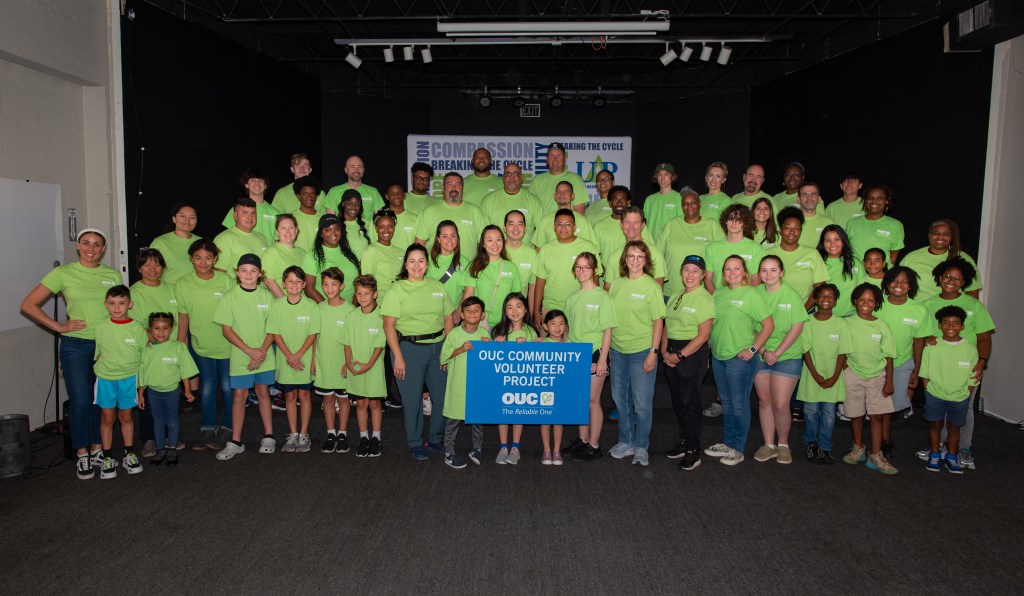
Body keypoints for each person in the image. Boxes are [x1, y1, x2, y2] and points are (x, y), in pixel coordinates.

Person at [21, 228, 123, 479]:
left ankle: (99, 448)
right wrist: (59, 326)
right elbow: (28, 304)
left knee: (101, 400)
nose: (91, 248)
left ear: (103, 248)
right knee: (79, 402)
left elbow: (119, 309)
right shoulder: (63, 273)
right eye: (86, 243)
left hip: (105, 346)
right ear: (78, 246)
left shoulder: (111, 275)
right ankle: (82, 453)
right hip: (75, 345)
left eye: (97, 244)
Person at [918, 257, 994, 469]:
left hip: (964, 368)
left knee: (964, 409)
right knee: (937, 408)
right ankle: (939, 446)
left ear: (964, 282)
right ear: (939, 278)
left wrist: (982, 361)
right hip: (938, 367)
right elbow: (919, 334)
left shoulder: (974, 306)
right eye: (948, 276)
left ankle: (964, 448)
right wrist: (926, 339)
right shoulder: (928, 304)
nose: (951, 281)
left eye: (958, 278)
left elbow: (985, 338)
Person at [381, 244, 455, 461]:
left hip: (438, 348)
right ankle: (414, 442)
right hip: (408, 350)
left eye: (421, 261)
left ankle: (435, 438)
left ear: (427, 264)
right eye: (412, 261)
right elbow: (388, 326)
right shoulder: (397, 289)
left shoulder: (437, 286)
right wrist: (398, 357)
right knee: (413, 401)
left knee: (441, 398)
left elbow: (448, 317)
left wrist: (448, 349)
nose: (416, 265)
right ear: (406, 264)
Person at [704, 256, 774, 466]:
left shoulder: (751, 294)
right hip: (719, 356)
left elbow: (768, 325)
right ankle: (728, 443)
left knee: (739, 404)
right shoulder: (718, 293)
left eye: (737, 269)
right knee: (726, 403)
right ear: (723, 272)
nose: (732, 272)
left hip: (740, 359)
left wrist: (753, 349)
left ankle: (738, 448)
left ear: (745, 272)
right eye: (727, 269)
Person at [606, 241, 666, 466]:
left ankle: (641, 445)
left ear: (646, 261)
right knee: (620, 399)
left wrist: (653, 351)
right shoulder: (616, 285)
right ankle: (625, 441)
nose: (635, 260)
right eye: (631, 256)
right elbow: (609, 320)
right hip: (618, 351)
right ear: (624, 259)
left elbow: (658, 321)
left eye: (640, 257)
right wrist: (610, 349)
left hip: (642, 351)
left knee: (641, 403)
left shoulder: (652, 287)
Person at [213, 254, 277, 460]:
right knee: (239, 397)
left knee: (263, 393)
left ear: (260, 274)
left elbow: (273, 327)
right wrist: (250, 351)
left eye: (253, 271)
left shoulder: (266, 296)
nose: (248, 275)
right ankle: (236, 441)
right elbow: (226, 330)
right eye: (244, 270)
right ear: (237, 273)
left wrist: (261, 352)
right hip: (242, 356)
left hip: (264, 354)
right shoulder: (230, 296)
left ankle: (269, 436)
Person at [174, 239, 233, 451]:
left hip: (227, 345)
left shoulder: (226, 281)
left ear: (215, 259)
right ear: (191, 259)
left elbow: (236, 312)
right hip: (201, 346)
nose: (203, 262)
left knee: (227, 388)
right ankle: (208, 427)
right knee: (207, 388)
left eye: (208, 258)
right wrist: (181, 346)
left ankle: (228, 426)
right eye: (198, 258)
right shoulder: (183, 284)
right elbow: (183, 319)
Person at [752, 255, 808, 465]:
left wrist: (777, 353)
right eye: (764, 270)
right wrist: (765, 350)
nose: (768, 275)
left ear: (782, 272)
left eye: (773, 270)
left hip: (788, 355)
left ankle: (783, 444)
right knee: (764, 400)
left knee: (781, 404)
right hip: (760, 352)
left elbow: (797, 327)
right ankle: (769, 444)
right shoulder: (754, 294)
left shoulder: (791, 295)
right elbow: (749, 326)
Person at [660, 255, 715, 471]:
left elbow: (703, 335)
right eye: (686, 270)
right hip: (671, 352)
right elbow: (666, 326)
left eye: (695, 271)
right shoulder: (675, 295)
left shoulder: (705, 298)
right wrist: (664, 350)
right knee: (678, 403)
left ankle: (694, 450)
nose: (690, 275)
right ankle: (685, 442)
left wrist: (680, 355)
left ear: (703, 275)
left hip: (691, 354)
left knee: (690, 405)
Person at [840, 283, 898, 475]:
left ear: (877, 303)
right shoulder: (846, 323)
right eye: (862, 300)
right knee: (855, 413)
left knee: (877, 415)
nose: (866, 303)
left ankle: (875, 453)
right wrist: (845, 366)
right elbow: (840, 348)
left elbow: (889, 355)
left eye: (871, 300)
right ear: (855, 301)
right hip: (852, 373)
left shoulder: (882, 325)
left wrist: (889, 381)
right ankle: (858, 447)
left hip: (877, 375)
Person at [129, 248, 182, 457]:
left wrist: (178, 344)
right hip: (149, 352)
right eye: (147, 264)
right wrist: (154, 340)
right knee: (150, 398)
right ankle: (149, 440)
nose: (152, 269)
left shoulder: (172, 289)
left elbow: (181, 317)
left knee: (170, 395)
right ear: (140, 268)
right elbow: (134, 323)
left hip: (171, 352)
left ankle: (171, 437)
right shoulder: (133, 292)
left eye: (157, 264)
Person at [564, 252, 616, 462]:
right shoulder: (572, 298)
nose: (581, 271)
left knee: (592, 400)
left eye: (586, 267)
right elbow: (568, 329)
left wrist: (603, 358)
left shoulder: (603, 297)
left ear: (594, 270)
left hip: (595, 353)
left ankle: (594, 445)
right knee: (579, 400)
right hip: (576, 354)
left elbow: (607, 330)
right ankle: (583, 440)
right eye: (578, 267)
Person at [93, 285, 148, 478]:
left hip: (129, 379)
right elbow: (98, 353)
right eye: (112, 303)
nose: (117, 308)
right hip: (106, 379)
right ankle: (107, 457)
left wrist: (141, 386)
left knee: (125, 417)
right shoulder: (100, 327)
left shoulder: (137, 328)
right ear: (106, 305)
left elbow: (144, 357)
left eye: (122, 303)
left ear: (130, 304)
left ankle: (129, 453)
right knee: (108, 417)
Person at [876, 266, 931, 456]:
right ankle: (882, 441)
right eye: (895, 280)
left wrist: (916, 370)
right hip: (874, 364)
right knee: (877, 407)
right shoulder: (876, 304)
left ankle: (885, 441)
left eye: (905, 282)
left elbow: (918, 342)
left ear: (911, 287)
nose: (899, 285)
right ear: (887, 283)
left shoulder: (919, 310)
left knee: (890, 407)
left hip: (902, 364)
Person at [268, 265, 320, 454]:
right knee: (289, 396)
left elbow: (313, 334)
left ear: (305, 284)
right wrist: (290, 356)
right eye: (290, 281)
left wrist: (298, 355)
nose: (294, 285)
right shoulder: (277, 305)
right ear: (283, 284)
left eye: (299, 281)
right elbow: (275, 333)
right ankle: (293, 433)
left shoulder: (311, 306)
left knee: (305, 396)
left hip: (304, 359)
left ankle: (304, 434)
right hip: (285, 360)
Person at [919, 305, 978, 474]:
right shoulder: (932, 346)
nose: (951, 326)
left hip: (959, 396)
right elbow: (925, 371)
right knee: (936, 425)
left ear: (962, 326)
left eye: (955, 323)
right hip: (935, 393)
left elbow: (973, 376)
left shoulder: (970, 349)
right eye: (946, 323)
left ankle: (952, 456)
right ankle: (935, 454)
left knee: (954, 427)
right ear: (939, 325)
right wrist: (927, 390)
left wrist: (967, 392)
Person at [137, 312, 198, 465]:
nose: (161, 332)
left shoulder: (178, 347)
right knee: (158, 421)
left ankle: (172, 449)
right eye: (156, 328)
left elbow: (184, 370)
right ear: (150, 330)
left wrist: (188, 390)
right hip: (153, 392)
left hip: (172, 391)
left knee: (172, 421)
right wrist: (141, 393)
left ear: (171, 329)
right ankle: (160, 450)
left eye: (165, 328)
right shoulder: (147, 349)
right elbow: (142, 371)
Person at [797, 284, 848, 464]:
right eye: (822, 296)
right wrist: (815, 374)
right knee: (810, 412)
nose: (826, 299)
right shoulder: (808, 322)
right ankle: (811, 443)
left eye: (830, 296)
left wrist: (835, 376)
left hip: (833, 376)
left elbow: (843, 351)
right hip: (812, 375)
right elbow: (805, 351)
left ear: (835, 301)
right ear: (816, 300)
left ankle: (825, 447)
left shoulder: (841, 323)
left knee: (828, 414)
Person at [439, 296, 490, 469]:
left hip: (476, 386)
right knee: (453, 419)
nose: (472, 313)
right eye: (468, 310)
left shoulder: (484, 334)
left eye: (476, 310)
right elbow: (443, 357)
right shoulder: (454, 333)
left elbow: (491, 359)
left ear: (482, 315)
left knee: (477, 419)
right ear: (461, 314)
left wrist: (488, 345)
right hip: (458, 386)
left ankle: (477, 449)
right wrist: (461, 349)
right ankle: (448, 452)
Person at [491, 292, 538, 465]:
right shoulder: (498, 330)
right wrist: (496, 344)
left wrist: (529, 346)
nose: (514, 311)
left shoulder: (531, 331)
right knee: (503, 412)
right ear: (505, 311)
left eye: (519, 306)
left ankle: (515, 447)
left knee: (518, 411)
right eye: (510, 307)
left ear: (525, 310)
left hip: (522, 381)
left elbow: (537, 356)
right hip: (502, 381)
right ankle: (503, 446)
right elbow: (489, 357)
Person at [343, 275, 387, 458]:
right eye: (359, 293)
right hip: (355, 367)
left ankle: (376, 438)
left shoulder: (381, 316)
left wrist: (368, 365)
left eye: (366, 293)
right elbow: (347, 343)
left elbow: (379, 345)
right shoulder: (351, 316)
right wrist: (348, 363)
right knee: (360, 403)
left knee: (375, 403)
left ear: (375, 294)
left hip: (374, 367)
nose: (362, 297)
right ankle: (364, 438)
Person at [313, 267, 355, 453]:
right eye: (326, 284)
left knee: (344, 400)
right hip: (324, 362)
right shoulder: (318, 308)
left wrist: (349, 362)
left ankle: (343, 433)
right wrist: (314, 360)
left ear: (342, 286)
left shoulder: (350, 310)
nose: (329, 288)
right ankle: (331, 433)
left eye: (334, 284)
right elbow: (314, 336)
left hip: (342, 363)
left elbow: (353, 340)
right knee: (328, 399)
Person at [533, 209, 601, 322]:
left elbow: (595, 278)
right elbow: (540, 282)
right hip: (551, 309)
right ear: (554, 227)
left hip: (580, 306)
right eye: (559, 224)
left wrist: (592, 304)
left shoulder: (587, 247)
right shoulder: (546, 249)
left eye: (568, 224)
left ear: (574, 227)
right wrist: (536, 312)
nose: (563, 228)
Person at [657, 188, 723, 300]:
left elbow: (721, 256)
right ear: (681, 206)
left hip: (700, 292)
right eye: (685, 203)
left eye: (693, 202)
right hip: (670, 291)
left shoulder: (712, 225)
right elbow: (657, 254)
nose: (689, 206)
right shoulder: (672, 224)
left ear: (699, 204)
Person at [899, 218, 982, 302]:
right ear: (929, 235)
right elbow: (898, 284)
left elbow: (972, 292)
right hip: (918, 311)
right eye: (936, 233)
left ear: (952, 237)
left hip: (952, 311)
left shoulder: (963, 258)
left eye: (946, 234)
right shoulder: (912, 257)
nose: (940, 237)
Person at [767, 207, 829, 310]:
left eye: (796, 228)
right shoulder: (767, 254)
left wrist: (802, 312)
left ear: (800, 231)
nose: (792, 232)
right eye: (787, 228)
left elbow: (819, 287)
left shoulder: (812, 254)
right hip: (773, 312)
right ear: (780, 230)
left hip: (805, 311)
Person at [462, 225, 523, 329]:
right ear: (483, 244)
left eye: (498, 240)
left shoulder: (511, 267)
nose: (495, 244)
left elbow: (517, 298)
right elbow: (468, 297)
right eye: (490, 240)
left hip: (504, 323)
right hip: (479, 323)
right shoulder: (474, 267)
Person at [414, 172, 486, 249]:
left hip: (469, 261)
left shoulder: (475, 212)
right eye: (449, 184)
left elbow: (484, 244)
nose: (454, 188)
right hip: (436, 261)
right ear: (443, 188)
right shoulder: (429, 211)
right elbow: (419, 244)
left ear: (463, 188)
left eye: (457, 184)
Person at [703, 204, 765, 292]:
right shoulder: (712, 248)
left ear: (745, 223)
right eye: (731, 218)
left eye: (739, 219)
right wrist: (716, 298)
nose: (734, 222)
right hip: (719, 300)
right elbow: (708, 279)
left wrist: (747, 298)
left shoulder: (756, 248)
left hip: (745, 299)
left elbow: (756, 279)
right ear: (726, 221)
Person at [602, 207, 666, 289]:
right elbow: (608, 288)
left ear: (642, 225)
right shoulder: (614, 255)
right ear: (621, 225)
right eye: (627, 222)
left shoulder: (654, 252)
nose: (631, 226)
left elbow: (657, 287)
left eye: (636, 222)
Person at [303, 213, 360, 304]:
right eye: (327, 230)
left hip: (350, 311)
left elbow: (357, 285)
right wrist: (328, 309)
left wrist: (352, 308)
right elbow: (309, 289)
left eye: (337, 229)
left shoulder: (350, 254)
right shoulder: (311, 256)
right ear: (321, 233)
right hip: (326, 312)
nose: (333, 233)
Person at [480, 163, 542, 245]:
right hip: (496, 254)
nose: (512, 177)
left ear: (521, 178)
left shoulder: (533, 201)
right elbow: (482, 233)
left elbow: (542, 232)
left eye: (515, 173)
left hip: (526, 256)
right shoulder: (488, 200)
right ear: (503, 178)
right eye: (508, 173)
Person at [538, 310, 569, 465]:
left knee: (558, 420)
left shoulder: (571, 346)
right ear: (545, 326)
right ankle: (546, 450)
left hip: (562, 389)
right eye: (553, 323)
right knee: (545, 419)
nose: (557, 327)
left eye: (561, 323)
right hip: (545, 388)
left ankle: (556, 451)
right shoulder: (541, 344)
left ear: (566, 327)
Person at [845, 184, 904, 266]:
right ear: (865, 200)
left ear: (886, 201)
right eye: (870, 198)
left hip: (883, 276)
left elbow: (893, 257)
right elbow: (846, 251)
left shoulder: (896, 225)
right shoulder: (852, 223)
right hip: (857, 275)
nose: (874, 201)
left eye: (879, 198)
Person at [213, 197, 269, 279]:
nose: (250, 217)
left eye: (253, 213)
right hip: (236, 290)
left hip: (261, 290)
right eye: (244, 213)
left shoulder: (262, 237)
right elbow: (219, 275)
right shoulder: (224, 239)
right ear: (235, 215)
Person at [221, 166, 279, 244]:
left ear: (265, 185)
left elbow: (278, 241)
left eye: (260, 180)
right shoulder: (237, 209)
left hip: (267, 254)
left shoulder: (275, 212)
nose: (257, 183)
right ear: (246, 185)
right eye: (253, 180)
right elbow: (228, 235)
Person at [532, 181, 597, 247]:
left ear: (572, 196)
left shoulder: (583, 221)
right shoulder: (545, 221)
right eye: (559, 192)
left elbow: (591, 248)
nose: (562, 194)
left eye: (566, 192)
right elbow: (539, 249)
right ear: (555, 196)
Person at [529, 142, 588, 215]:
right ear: (547, 159)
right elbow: (530, 210)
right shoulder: (536, 181)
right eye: (551, 156)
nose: (555, 159)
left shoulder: (575, 179)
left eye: (558, 155)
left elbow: (580, 213)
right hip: (543, 226)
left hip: (566, 225)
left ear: (565, 158)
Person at [817, 225, 861, 317]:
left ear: (844, 241)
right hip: (824, 317)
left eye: (837, 239)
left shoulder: (855, 262)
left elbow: (862, 291)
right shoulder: (817, 263)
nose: (832, 244)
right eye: (828, 240)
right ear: (822, 243)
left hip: (851, 316)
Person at [360, 208, 405, 299]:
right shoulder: (370, 251)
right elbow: (366, 285)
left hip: (400, 300)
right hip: (380, 303)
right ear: (376, 229)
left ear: (394, 228)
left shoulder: (401, 252)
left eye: (390, 226)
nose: (386, 230)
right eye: (382, 226)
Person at [427, 221, 469, 316]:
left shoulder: (464, 261)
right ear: (438, 239)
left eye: (453, 236)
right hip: (432, 312)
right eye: (445, 236)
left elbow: (467, 291)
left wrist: (459, 311)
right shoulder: (427, 260)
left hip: (455, 314)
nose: (450, 240)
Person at [150, 203, 199, 284]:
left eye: (192, 217)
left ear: (196, 221)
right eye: (182, 216)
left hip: (196, 292)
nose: (187, 220)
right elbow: (150, 272)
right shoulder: (160, 242)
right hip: (169, 294)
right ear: (174, 219)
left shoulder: (202, 243)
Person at [261, 214, 306, 299]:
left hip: (301, 303)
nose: (287, 231)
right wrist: (286, 303)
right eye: (283, 228)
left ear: (296, 231)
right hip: (282, 304)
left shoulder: (302, 253)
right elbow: (269, 281)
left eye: (291, 228)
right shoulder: (271, 252)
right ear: (277, 232)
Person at [503, 210, 537, 307]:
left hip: (519, 307)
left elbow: (532, 287)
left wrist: (530, 315)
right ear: (504, 228)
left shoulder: (532, 254)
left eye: (520, 224)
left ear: (525, 228)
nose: (516, 228)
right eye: (511, 224)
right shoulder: (496, 249)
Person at [642, 162, 682, 240]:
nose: (662, 178)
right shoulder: (649, 199)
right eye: (659, 174)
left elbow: (681, 223)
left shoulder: (679, 198)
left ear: (672, 177)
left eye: (666, 174)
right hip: (651, 243)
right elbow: (644, 224)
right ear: (656, 177)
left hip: (670, 243)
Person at [290, 176, 327, 254]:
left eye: (312, 194)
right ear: (298, 196)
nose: (309, 197)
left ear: (316, 196)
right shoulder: (290, 218)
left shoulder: (323, 219)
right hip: (297, 261)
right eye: (305, 194)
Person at [338, 188, 375, 257]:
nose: (354, 207)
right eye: (349, 203)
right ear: (343, 204)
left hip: (364, 266)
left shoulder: (367, 223)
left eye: (357, 204)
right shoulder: (336, 224)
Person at [795, 182, 834, 249]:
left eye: (813, 194)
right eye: (805, 194)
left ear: (818, 199)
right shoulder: (790, 222)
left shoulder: (829, 222)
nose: (809, 197)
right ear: (798, 199)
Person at [382, 184, 419, 250]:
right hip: (386, 259)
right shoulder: (380, 218)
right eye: (392, 193)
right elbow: (374, 243)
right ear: (387, 196)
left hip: (408, 259)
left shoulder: (416, 219)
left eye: (399, 193)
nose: (396, 195)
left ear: (404, 195)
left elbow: (418, 244)